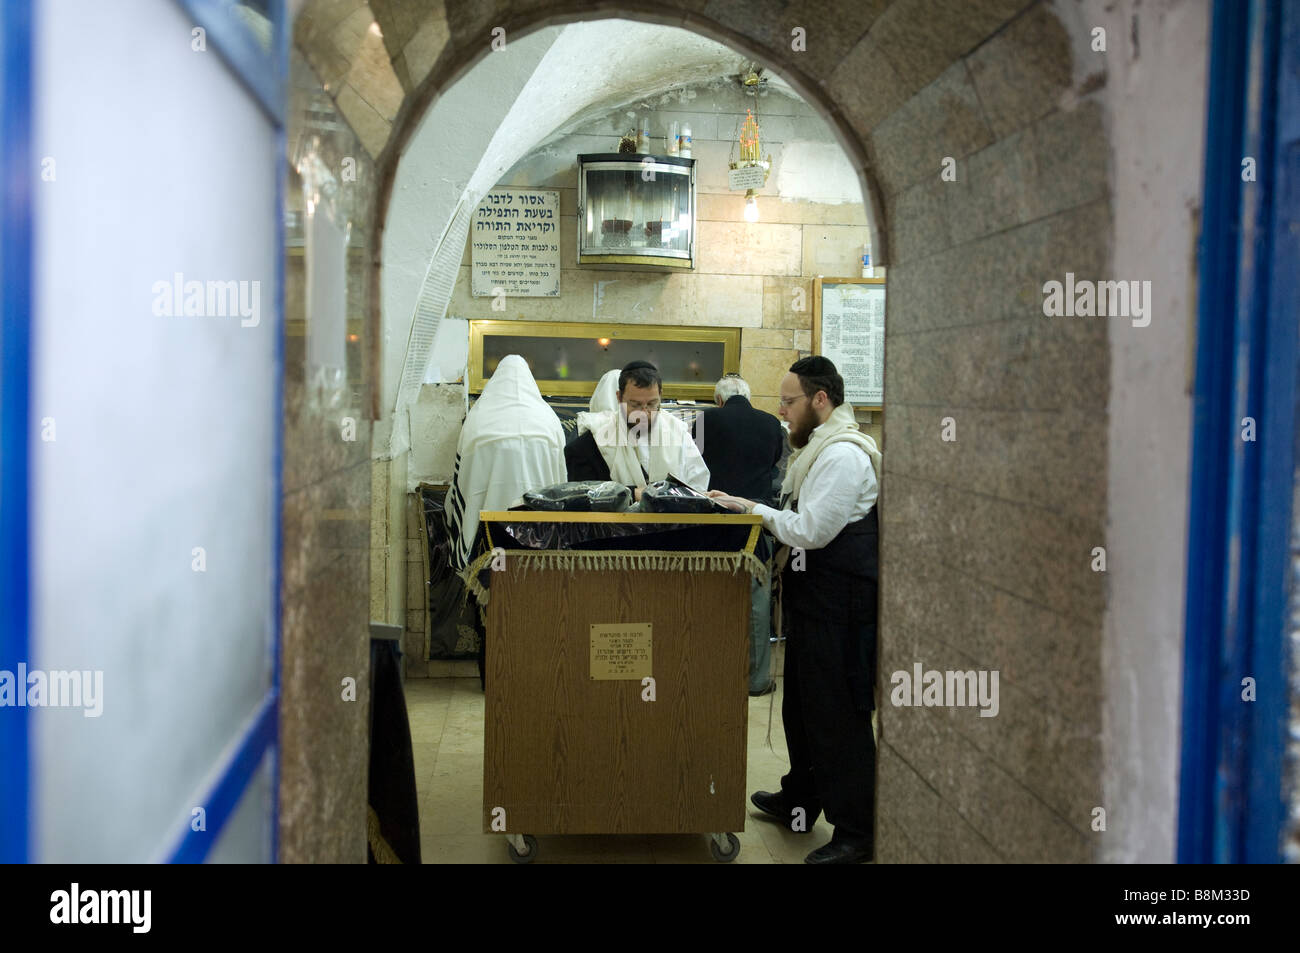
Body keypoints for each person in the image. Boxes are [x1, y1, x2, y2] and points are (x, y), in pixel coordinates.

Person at [709, 356, 881, 864]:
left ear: (820, 400)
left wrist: (752, 508)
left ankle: (857, 831)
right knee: (802, 707)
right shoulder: (820, 448)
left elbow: (812, 531)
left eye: (789, 402)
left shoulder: (843, 455)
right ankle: (801, 799)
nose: (782, 412)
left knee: (838, 715)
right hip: (818, 601)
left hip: (842, 606)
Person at [444, 355, 567, 689]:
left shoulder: (478, 422)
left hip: (488, 536)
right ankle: (533, 682)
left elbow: (461, 485)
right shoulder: (548, 421)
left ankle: (494, 683)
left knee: (491, 612)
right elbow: (561, 484)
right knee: (537, 612)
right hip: (539, 537)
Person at [693, 373, 784, 695]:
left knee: (709, 596)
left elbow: (694, 464)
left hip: (713, 517)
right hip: (755, 518)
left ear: (719, 399)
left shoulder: (704, 419)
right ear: (748, 395)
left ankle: (709, 673)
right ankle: (757, 680)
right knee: (757, 599)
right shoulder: (772, 423)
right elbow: (775, 466)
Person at [565, 360, 710, 496]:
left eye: (652, 404)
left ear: (660, 395)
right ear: (619, 398)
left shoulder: (678, 432)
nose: (644, 414)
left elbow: (697, 486)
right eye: (635, 405)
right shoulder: (593, 442)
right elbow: (582, 497)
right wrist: (633, 495)